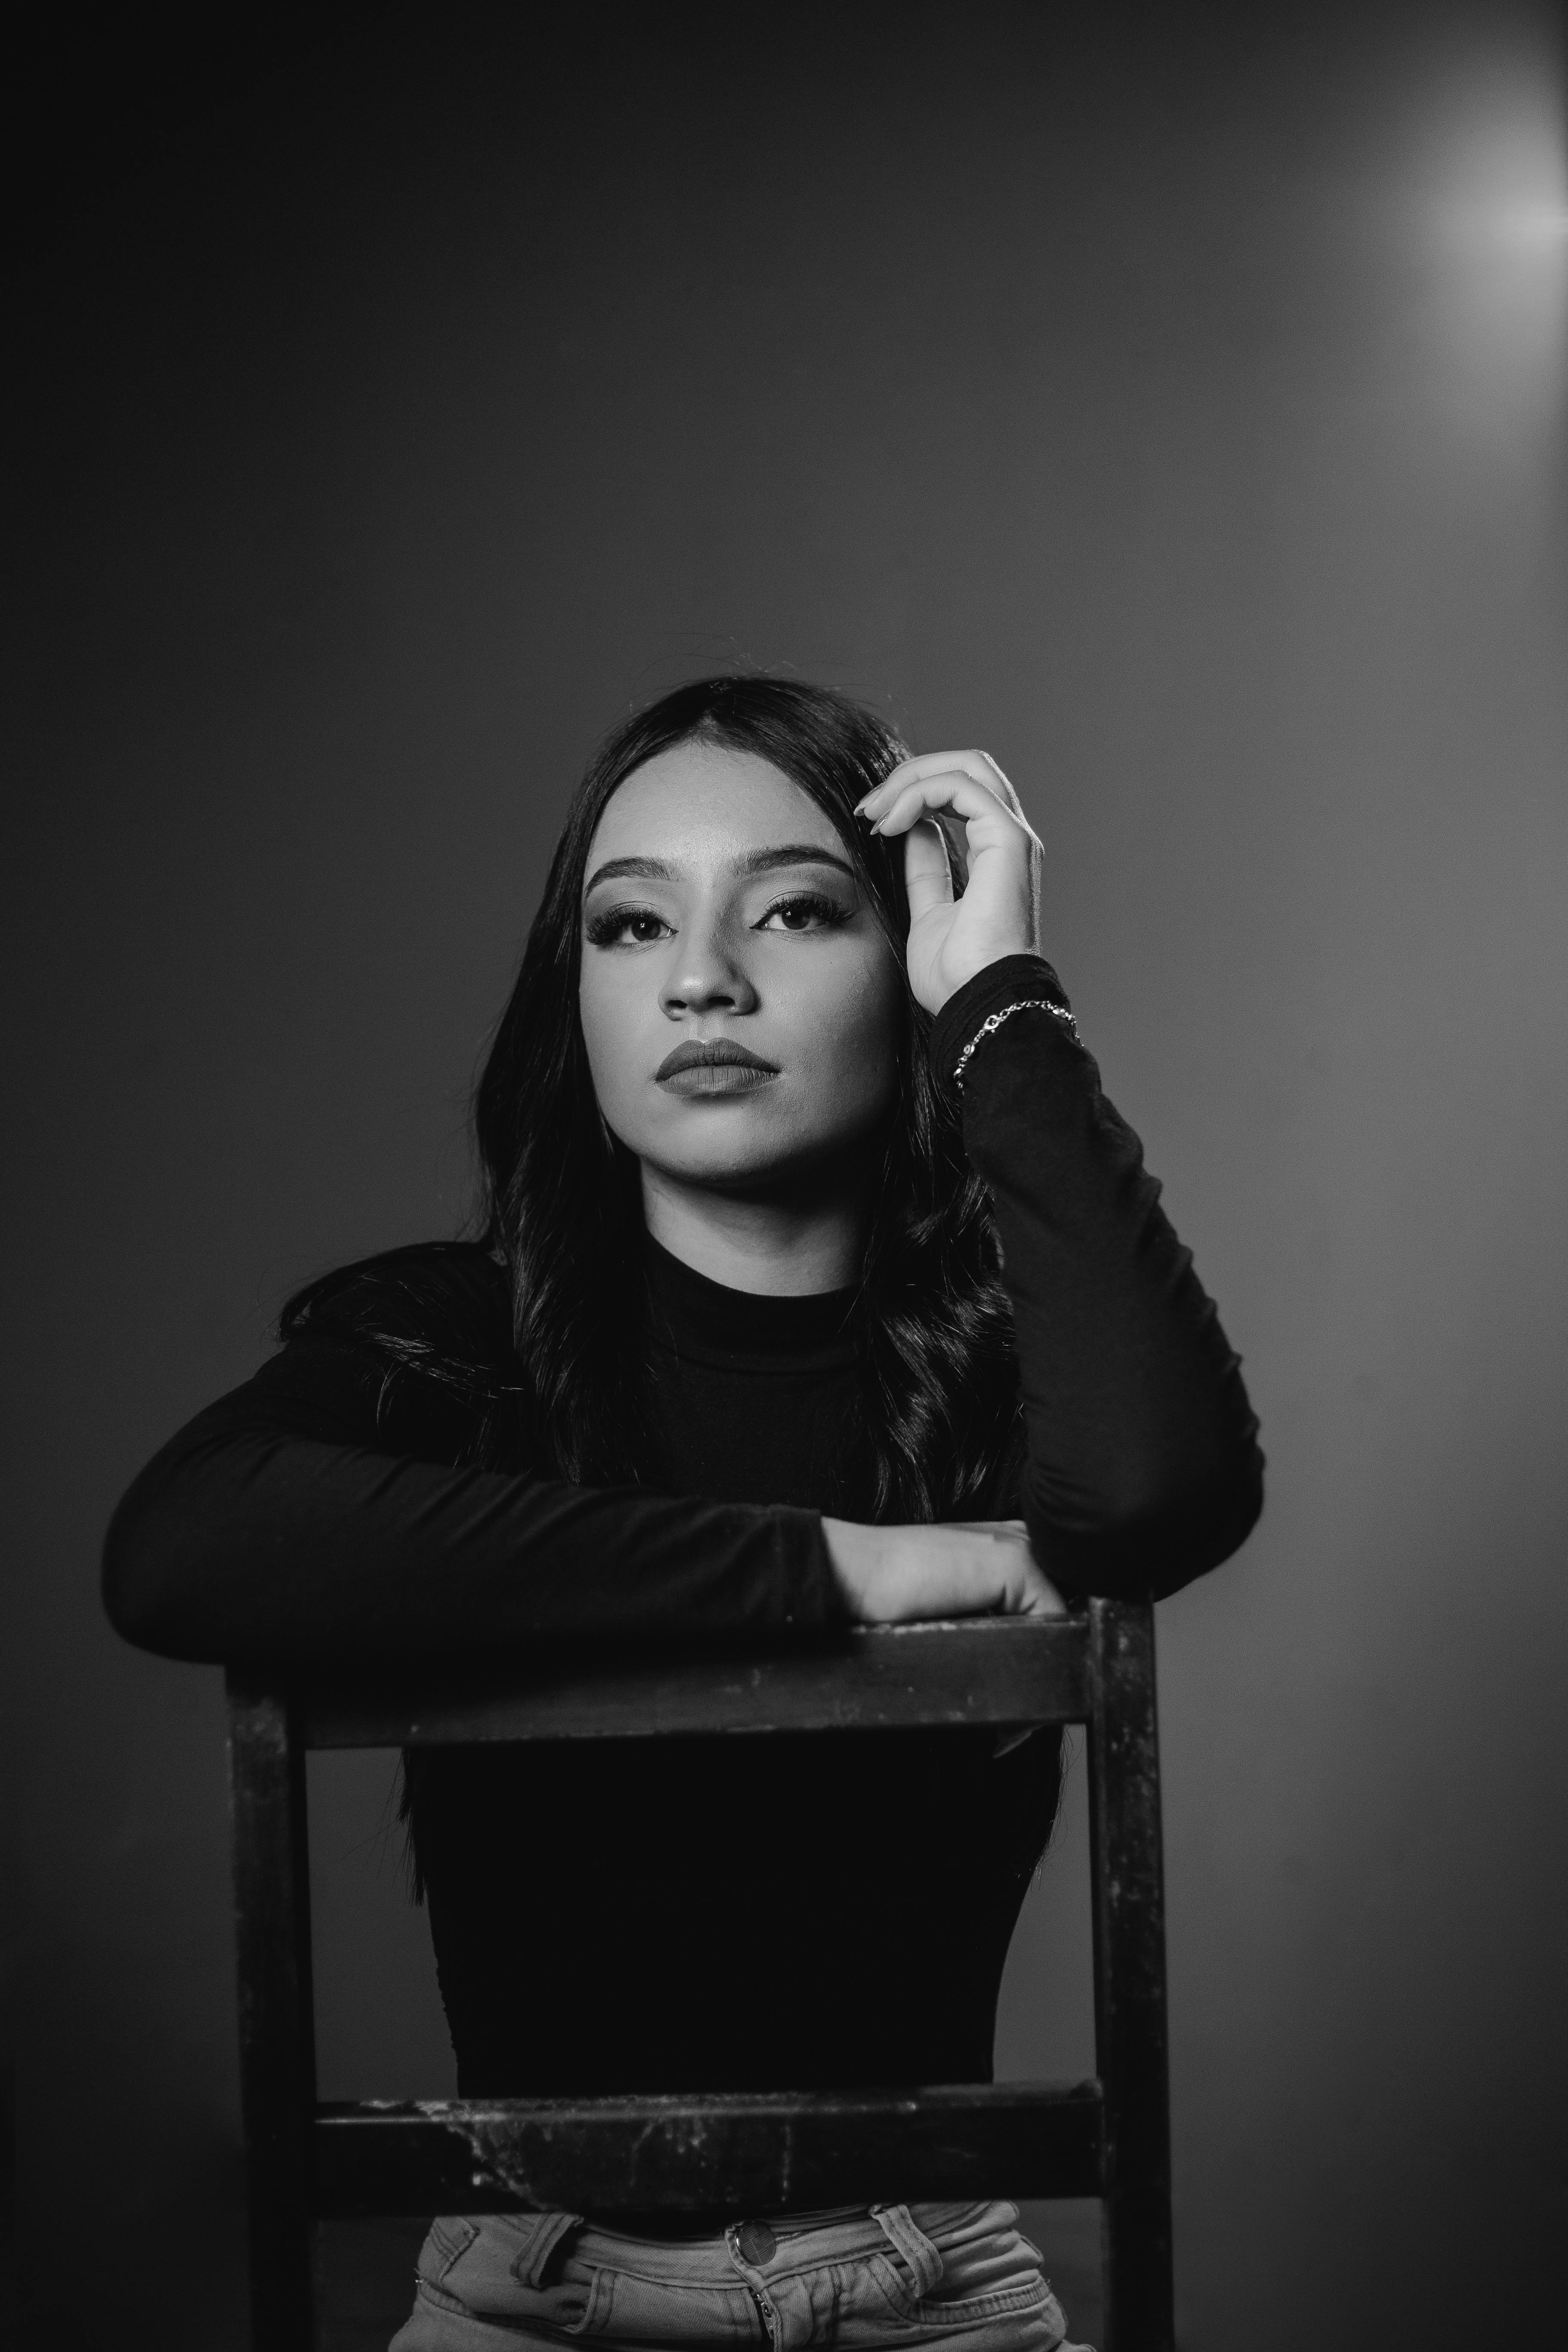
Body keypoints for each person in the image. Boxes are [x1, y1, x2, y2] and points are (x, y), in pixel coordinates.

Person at [104, 674, 1264, 2352]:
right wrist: (832, 1570)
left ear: (902, 964)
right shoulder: (459, 1351)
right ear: (570, 1002)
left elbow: (1167, 1485)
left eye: (793, 911)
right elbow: (181, 1542)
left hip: (926, 2291)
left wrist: (998, 999)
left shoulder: (1006, 1381)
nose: (705, 978)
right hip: (528, 2291)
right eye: (631, 927)